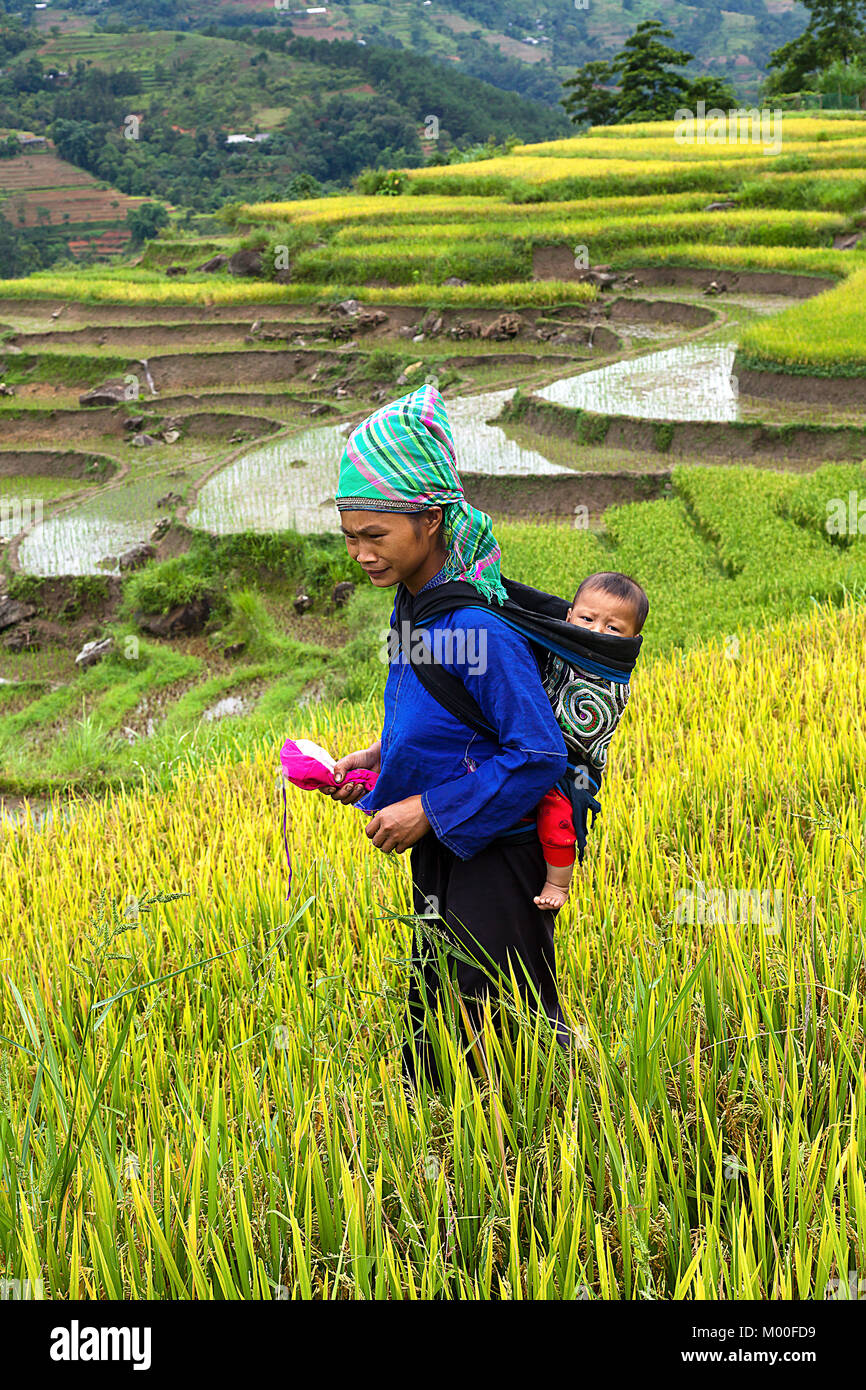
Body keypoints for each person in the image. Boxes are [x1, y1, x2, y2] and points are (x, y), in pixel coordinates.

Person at [319, 383, 570, 1091]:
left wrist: (426, 807)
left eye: (375, 535)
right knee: (437, 1006)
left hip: (498, 853)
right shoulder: (414, 604)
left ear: (430, 520)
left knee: (503, 1026)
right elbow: (446, 716)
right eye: (349, 536)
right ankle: (442, 1141)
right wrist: (377, 760)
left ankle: (536, 1163)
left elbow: (539, 752)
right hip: (447, 847)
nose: (360, 553)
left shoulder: (475, 629)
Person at [533, 571, 649, 911]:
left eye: (613, 628)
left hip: (572, 767)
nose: (596, 631)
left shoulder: (613, 677)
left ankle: (558, 883)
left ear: (632, 638)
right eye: (587, 618)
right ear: (568, 617)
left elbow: (589, 729)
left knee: (558, 818)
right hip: (526, 747)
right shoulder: (553, 642)